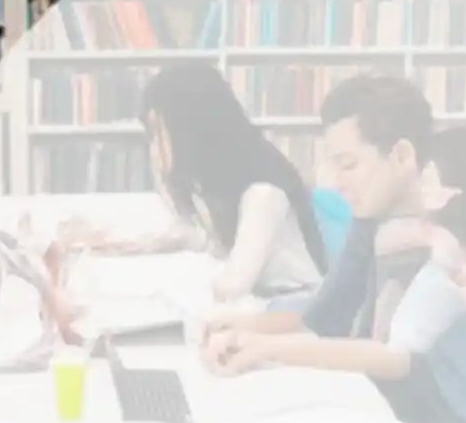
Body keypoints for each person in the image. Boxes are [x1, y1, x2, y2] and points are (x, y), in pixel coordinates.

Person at [201, 75, 466, 423]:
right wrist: (251, 330)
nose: (334, 183)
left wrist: (263, 344)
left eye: (348, 165)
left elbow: (393, 355)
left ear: (401, 156)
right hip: (378, 403)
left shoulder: (452, 238)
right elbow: (326, 316)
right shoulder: (370, 223)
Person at [57, 63, 327, 302]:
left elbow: (232, 286)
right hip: (263, 307)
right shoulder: (218, 185)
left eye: (158, 133)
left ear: (191, 130)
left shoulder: (263, 194)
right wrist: (111, 242)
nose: (152, 148)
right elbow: (199, 238)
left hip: (295, 310)